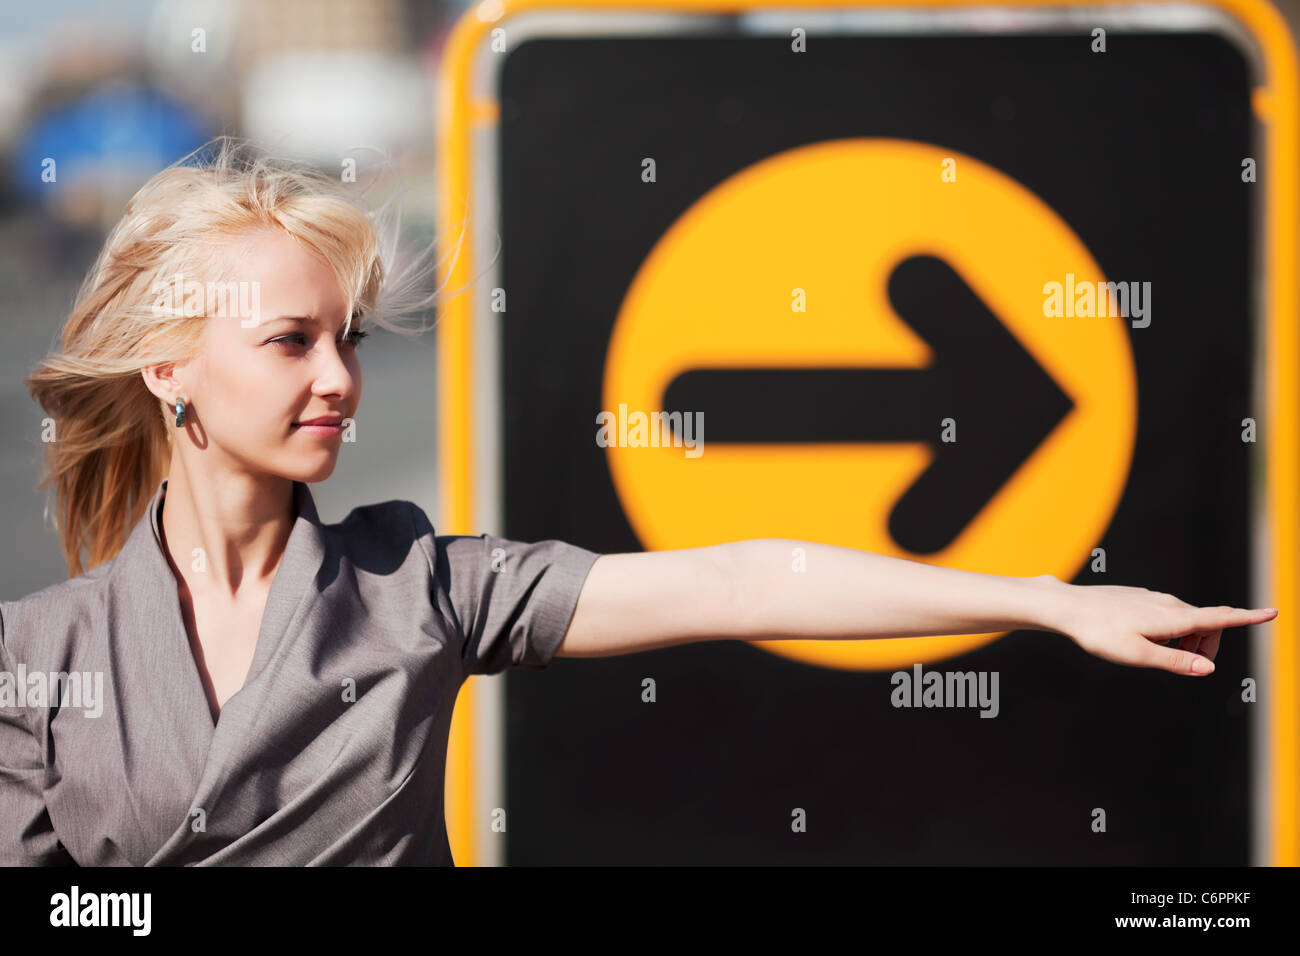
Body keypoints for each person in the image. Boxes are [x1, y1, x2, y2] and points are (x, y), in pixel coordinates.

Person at [0, 137, 1276, 866]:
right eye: (291, 342)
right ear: (168, 369)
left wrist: (1046, 603)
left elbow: (743, 579)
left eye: (349, 342)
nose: (338, 378)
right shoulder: (35, 655)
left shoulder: (419, 584)